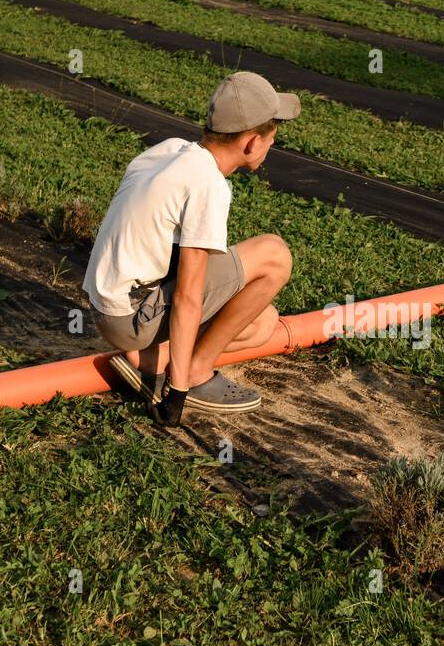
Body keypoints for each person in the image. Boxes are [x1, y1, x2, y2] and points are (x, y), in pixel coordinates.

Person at [83, 71, 297, 425]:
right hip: (131, 317)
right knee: (274, 254)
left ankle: (155, 357)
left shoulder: (169, 151)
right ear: (251, 143)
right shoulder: (208, 185)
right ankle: (194, 373)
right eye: (273, 136)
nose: (273, 144)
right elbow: (187, 296)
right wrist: (178, 391)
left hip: (110, 305)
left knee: (263, 323)